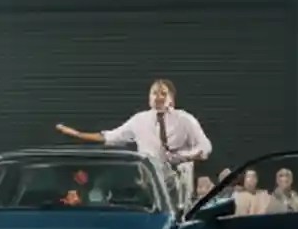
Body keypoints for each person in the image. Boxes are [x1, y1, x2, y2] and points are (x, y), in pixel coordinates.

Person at [55, 78, 212, 211]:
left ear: (172, 99)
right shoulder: (139, 120)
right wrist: (78, 134)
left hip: (179, 183)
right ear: (149, 98)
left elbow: (205, 147)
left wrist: (184, 157)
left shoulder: (185, 120)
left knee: (180, 214)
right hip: (151, 184)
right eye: (154, 93)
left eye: (163, 93)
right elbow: (111, 136)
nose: (158, 97)